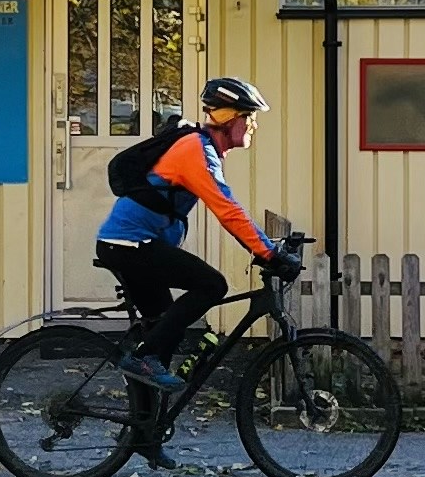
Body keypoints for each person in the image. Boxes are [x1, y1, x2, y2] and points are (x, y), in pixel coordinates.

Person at [95, 74, 286, 390]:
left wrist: (267, 249)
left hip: (131, 244)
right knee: (212, 285)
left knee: (163, 334)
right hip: (128, 244)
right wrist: (269, 253)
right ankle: (144, 360)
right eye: (248, 117)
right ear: (228, 120)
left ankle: (142, 434)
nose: (253, 125)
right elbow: (227, 209)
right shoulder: (195, 150)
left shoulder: (202, 148)